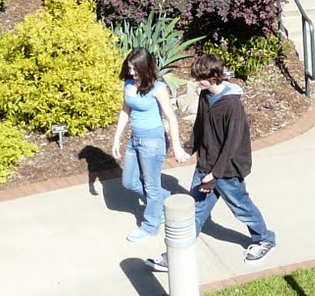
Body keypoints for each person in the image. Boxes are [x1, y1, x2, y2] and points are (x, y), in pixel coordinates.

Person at [150, 52, 276, 271]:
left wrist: (215, 174)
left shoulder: (232, 106)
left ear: (215, 76)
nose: (198, 82)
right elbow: (200, 125)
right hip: (206, 166)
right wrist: (190, 148)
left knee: (241, 208)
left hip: (227, 171)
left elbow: (231, 144)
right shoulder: (205, 96)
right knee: (194, 212)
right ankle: (175, 256)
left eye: (202, 78)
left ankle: (264, 239)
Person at [110, 48, 187, 243]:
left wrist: (177, 147)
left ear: (146, 68)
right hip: (134, 140)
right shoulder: (128, 84)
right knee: (128, 182)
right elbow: (125, 111)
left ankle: (150, 225)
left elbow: (170, 117)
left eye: (135, 69)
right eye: (129, 69)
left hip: (153, 142)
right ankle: (163, 198)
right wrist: (117, 138)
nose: (132, 73)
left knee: (151, 187)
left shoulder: (157, 88)